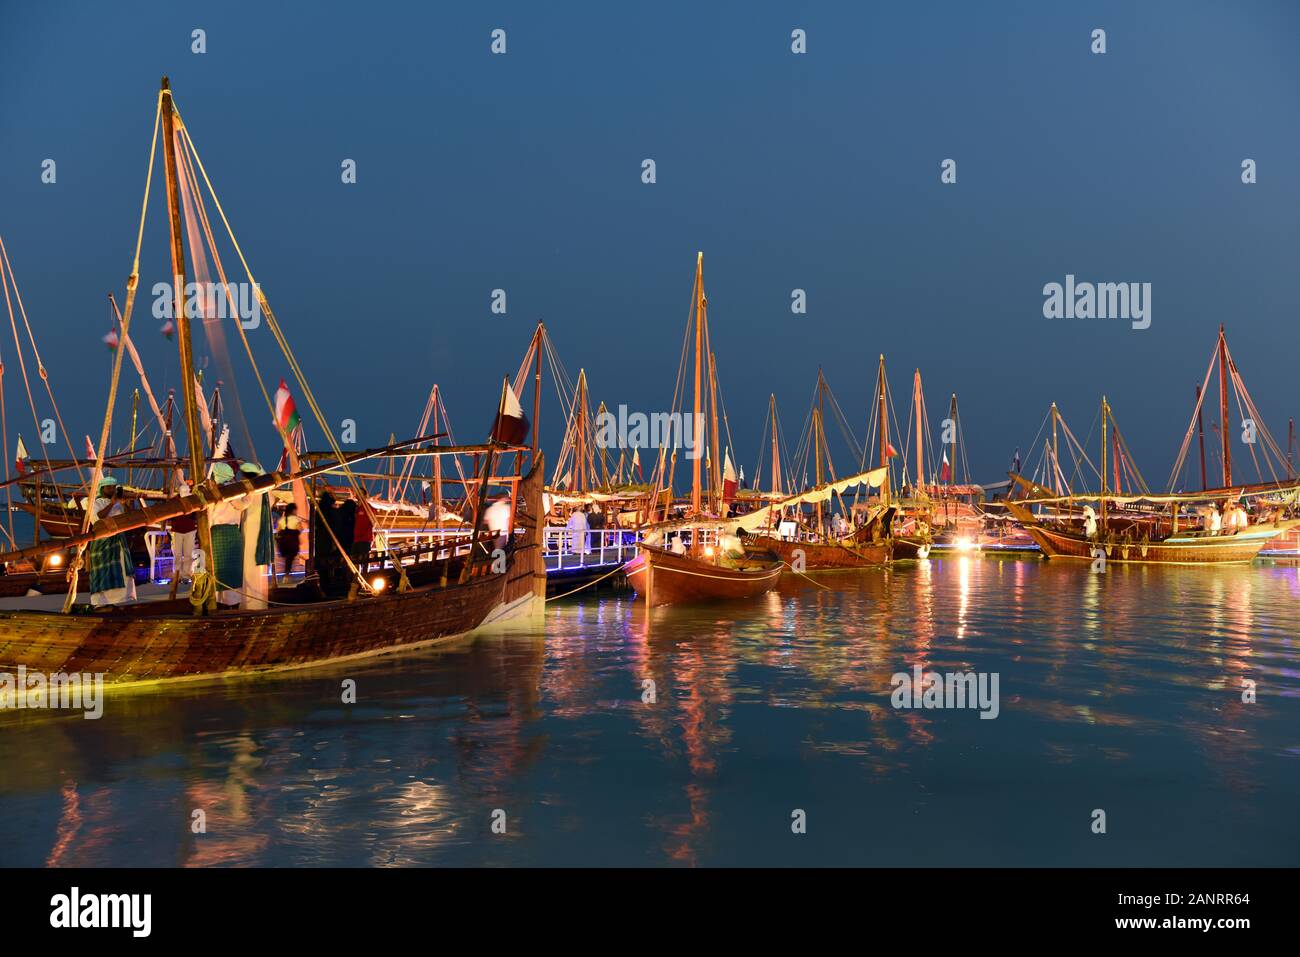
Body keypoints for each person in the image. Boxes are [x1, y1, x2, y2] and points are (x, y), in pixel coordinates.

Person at [85, 476, 137, 606]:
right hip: (103, 541)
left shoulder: (119, 503)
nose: (112, 489)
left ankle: (124, 599)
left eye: (114, 487)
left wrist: (124, 504)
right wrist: (112, 504)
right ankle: (100, 602)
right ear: (102, 489)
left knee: (123, 569)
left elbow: (131, 517)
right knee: (103, 571)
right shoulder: (95, 503)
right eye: (109, 487)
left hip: (119, 540)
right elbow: (98, 518)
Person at [236, 462, 274, 610]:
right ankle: (260, 602)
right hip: (261, 531)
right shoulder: (266, 490)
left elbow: (240, 505)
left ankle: (251, 604)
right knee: (259, 568)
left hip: (251, 530)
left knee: (249, 566)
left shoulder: (251, 489)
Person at [169, 480, 198, 586]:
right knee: (179, 554)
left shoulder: (177, 501)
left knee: (187, 554)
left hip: (187, 530)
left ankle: (184, 575)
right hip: (179, 530)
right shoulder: (174, 501)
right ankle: (178, 574)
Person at [276, 503, 303, 585]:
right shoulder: (296, 519)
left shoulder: (282, 519)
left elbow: (278, 530)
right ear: (293, 510)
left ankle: (287, 574)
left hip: (283, 543)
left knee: (288, 559)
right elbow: (300, 529)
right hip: (292, 543)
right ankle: (287, 575)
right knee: (290, 559)